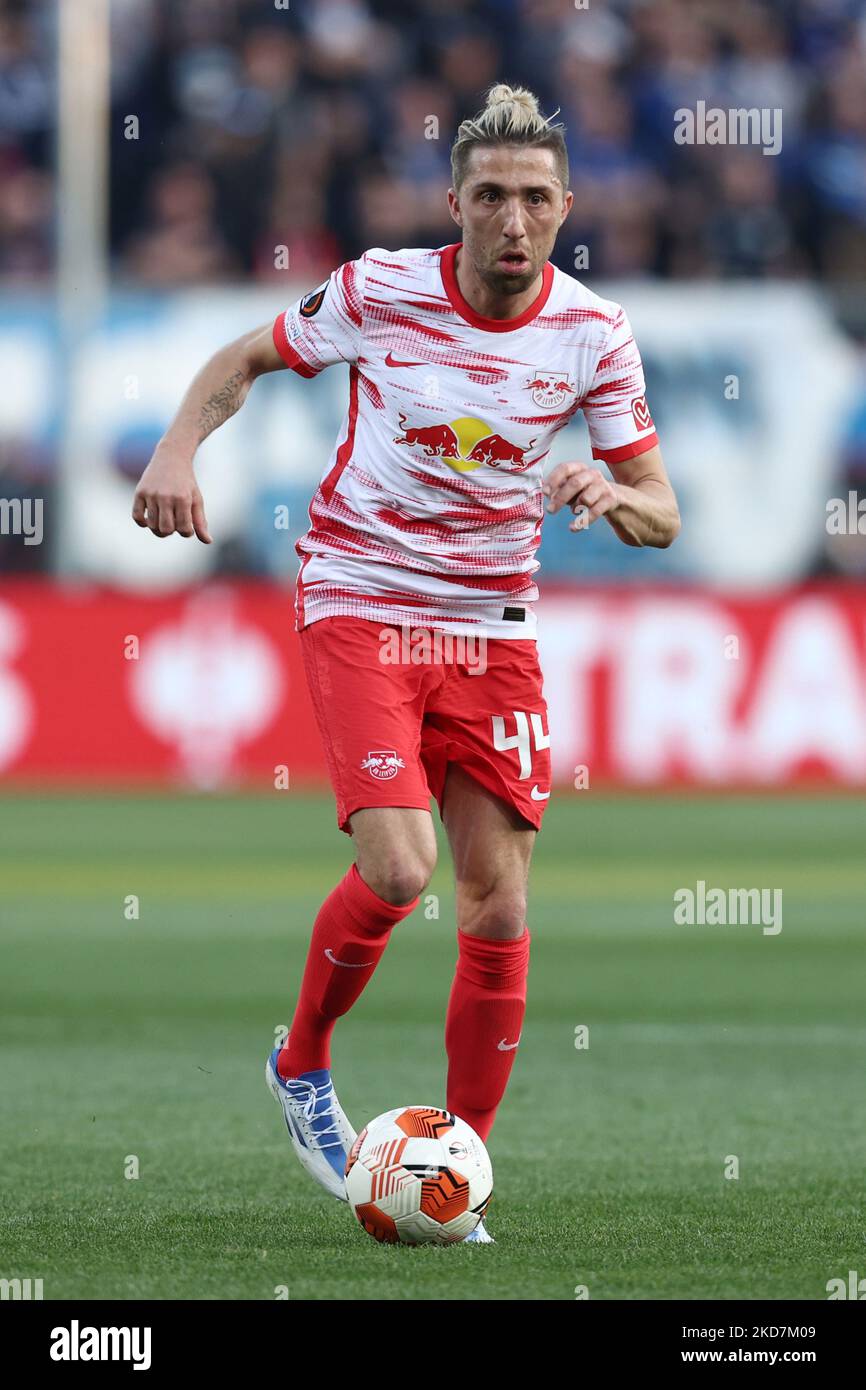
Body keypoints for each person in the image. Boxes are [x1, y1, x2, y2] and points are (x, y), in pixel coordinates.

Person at [132, 83, 680, 1244]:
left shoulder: (593, 333)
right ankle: (299, 1064)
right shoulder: (380, 289)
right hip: (363, 598)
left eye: (534, 198)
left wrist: (608, 489)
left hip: (491, 626)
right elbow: (247, 355)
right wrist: (178, 446)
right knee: (397, 868)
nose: (512, 220)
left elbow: (660, 512)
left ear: (565, 207)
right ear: (454, 204)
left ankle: (454, 1168)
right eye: (490, 197)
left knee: (498, 900)